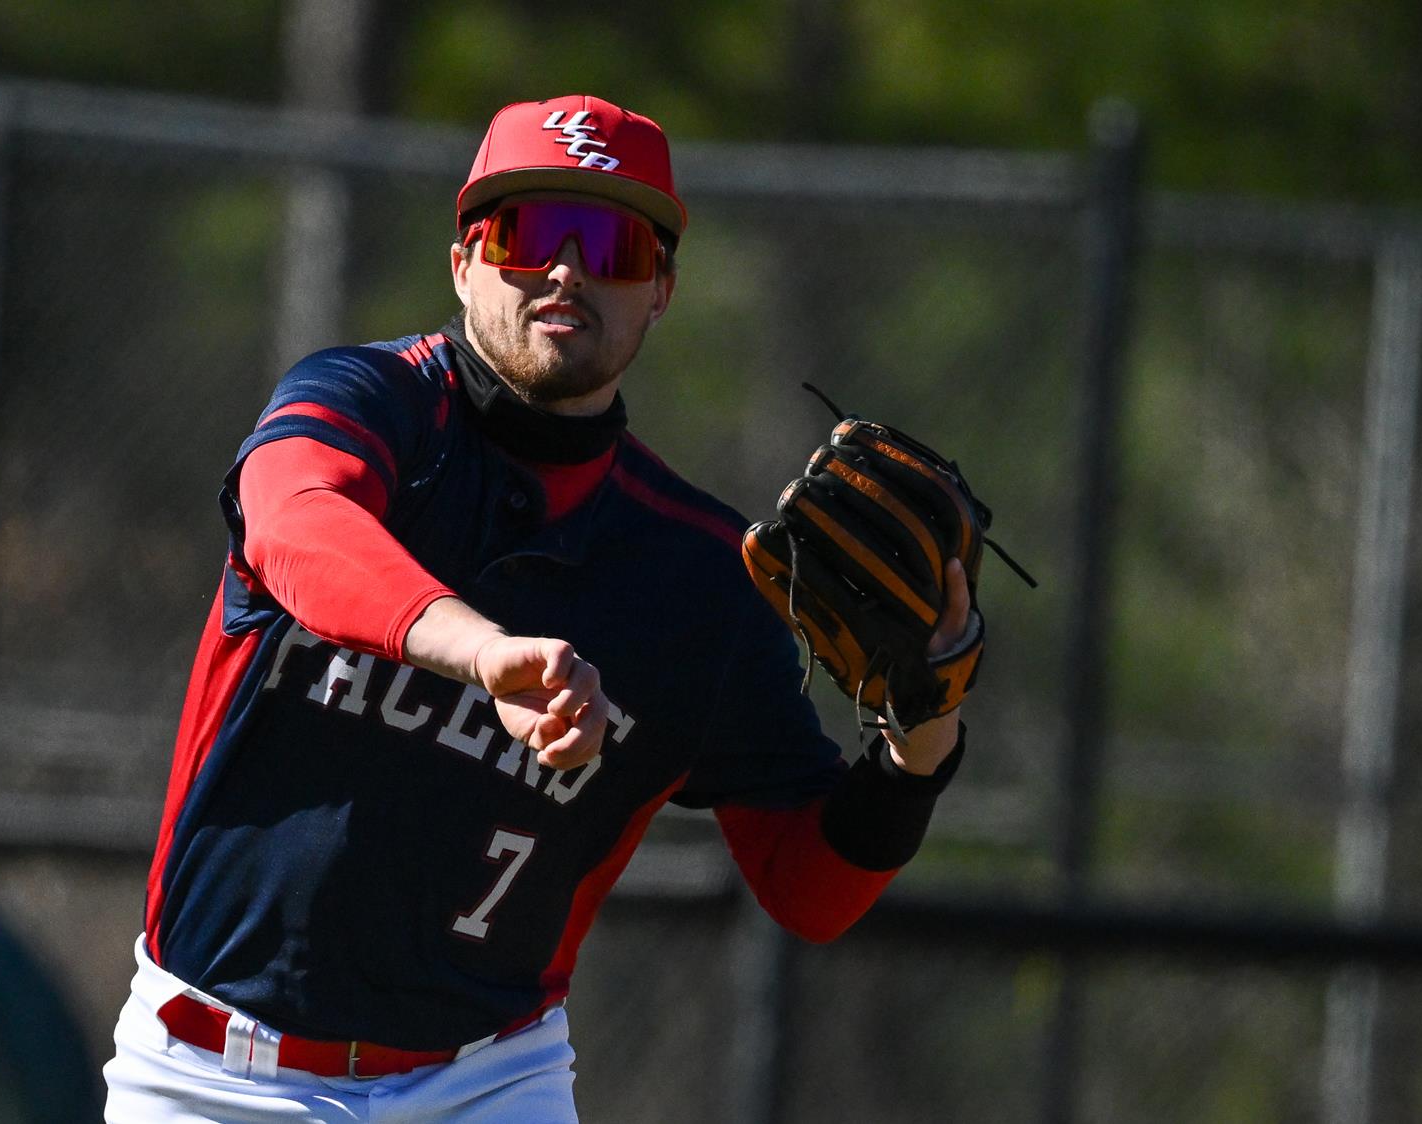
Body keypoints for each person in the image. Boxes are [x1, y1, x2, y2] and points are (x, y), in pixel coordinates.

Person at [104, 94, 972, 1123]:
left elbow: (807, 887)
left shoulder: (698, 578)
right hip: (211, 1072)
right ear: (465, 260)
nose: (565, 268)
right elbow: (292, 523)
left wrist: (918, 743)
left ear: (659, 288)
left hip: (482, 1082)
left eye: (609, 241)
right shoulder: (367, 404)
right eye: (528, 232)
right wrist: (479, 654)